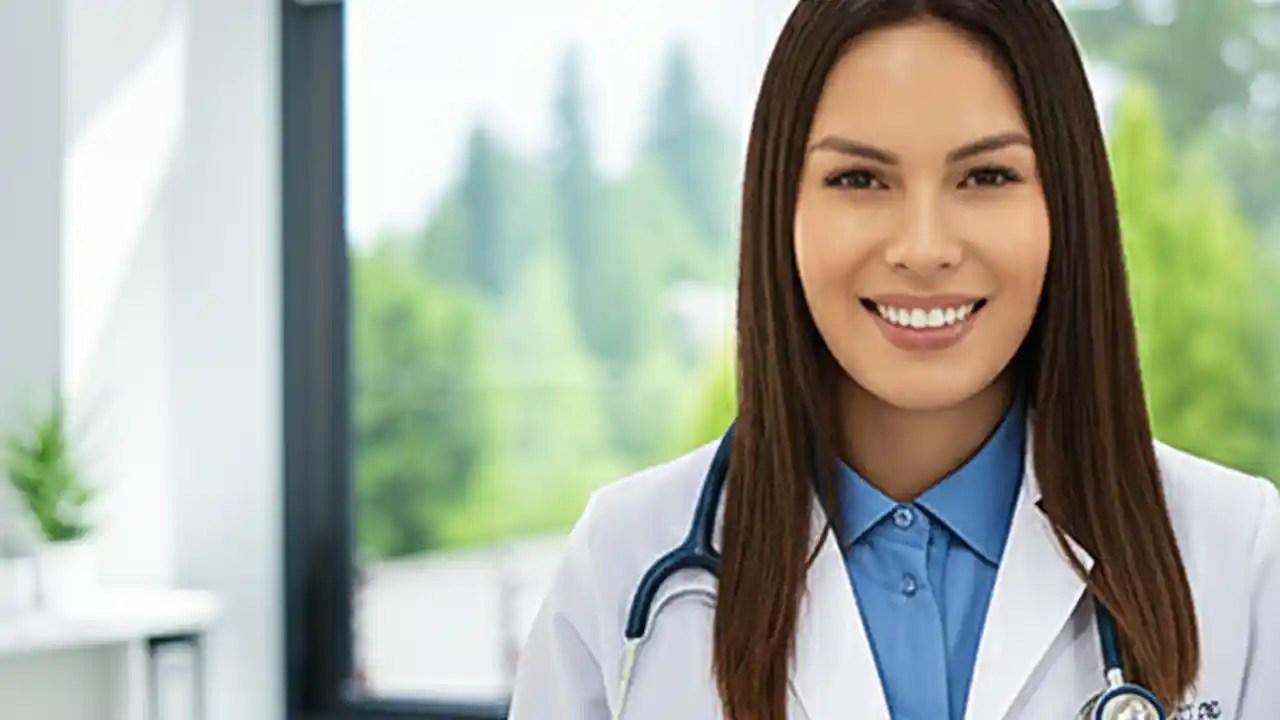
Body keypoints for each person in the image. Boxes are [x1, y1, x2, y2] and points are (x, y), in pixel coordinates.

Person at [507, 1, 1280, 718]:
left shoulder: (1240, 558)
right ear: (782, 209)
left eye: (986, 176)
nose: (924, 248)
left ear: (1065, 204)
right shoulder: (620, 564)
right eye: (859, 179)